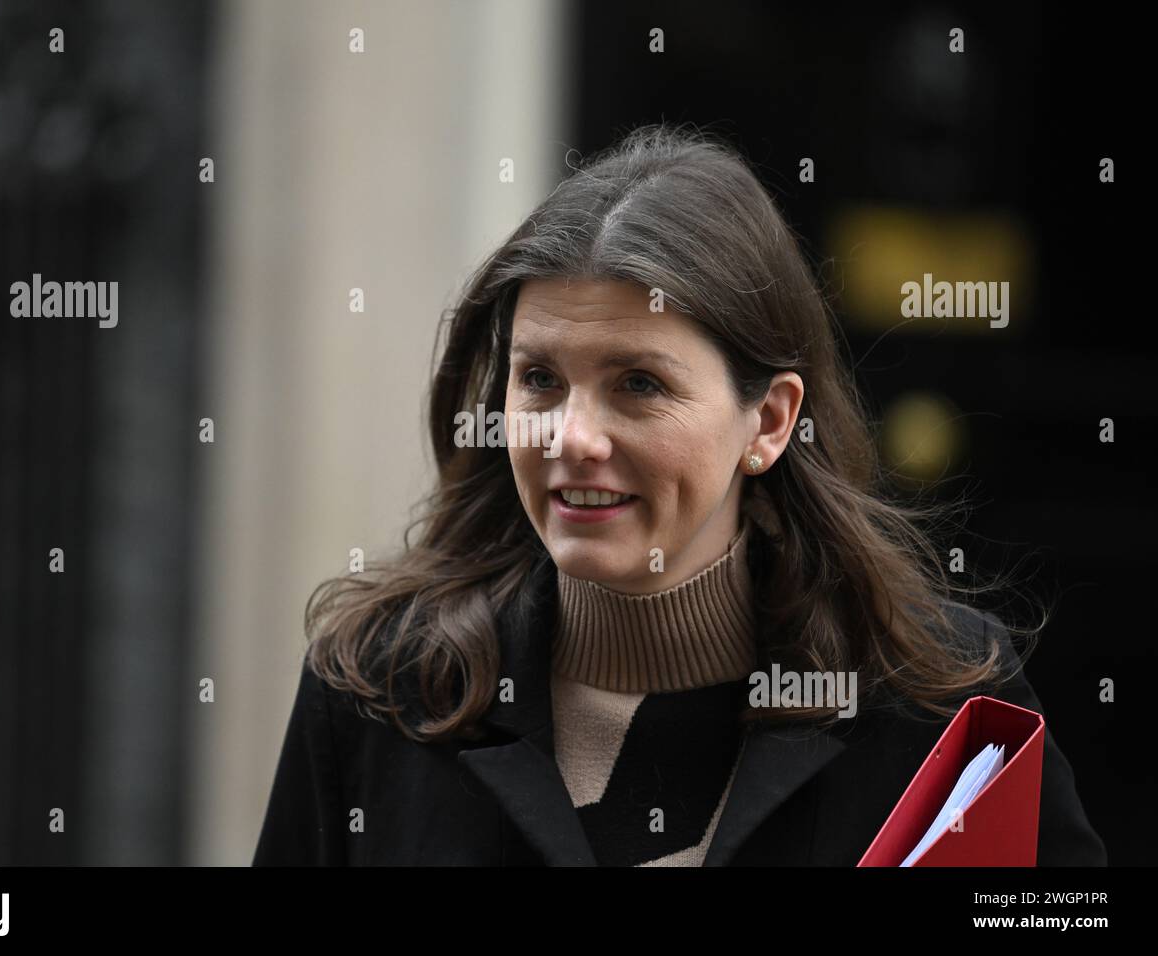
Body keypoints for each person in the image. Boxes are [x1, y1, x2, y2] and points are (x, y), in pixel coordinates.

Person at [252, 123, 1107, 866]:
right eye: (540, 379)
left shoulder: (938, 709)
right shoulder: (381, 694)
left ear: (768, 422)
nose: (571, 437)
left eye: (639, 384)